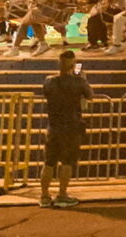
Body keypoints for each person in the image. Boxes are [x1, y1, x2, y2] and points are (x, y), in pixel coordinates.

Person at [40, 49, 94, 207]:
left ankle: (44, 196)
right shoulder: (78, 81)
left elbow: (46, 93)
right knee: (67, 162)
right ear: (73, 65)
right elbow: (90, 95)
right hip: (71, 126)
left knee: (49, 162)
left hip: (53, 126)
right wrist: (81, 77)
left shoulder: (49, 81)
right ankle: (62, 194)